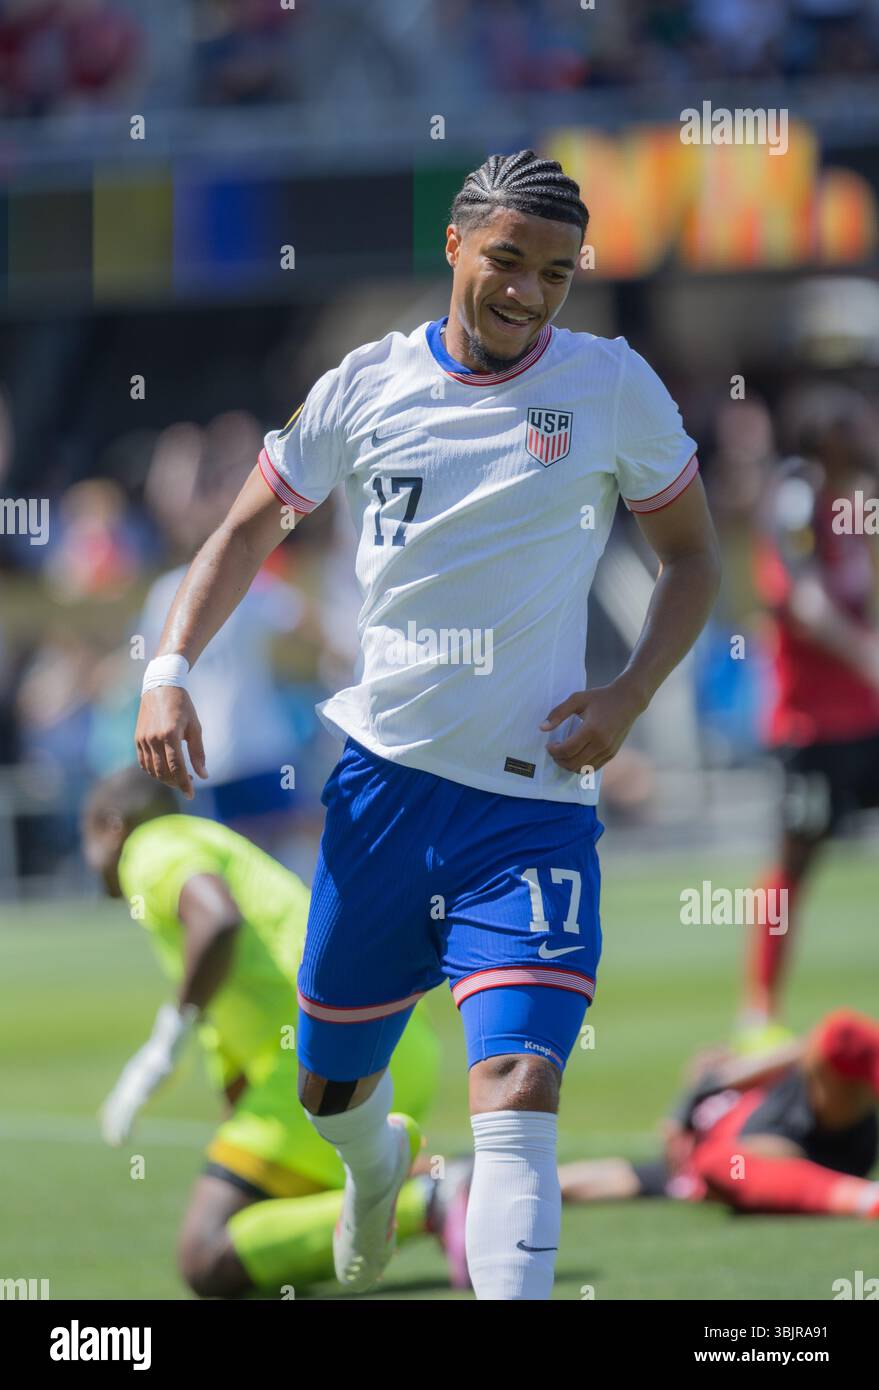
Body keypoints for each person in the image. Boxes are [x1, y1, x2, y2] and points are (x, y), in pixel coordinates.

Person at [133, 149, 721, 1300]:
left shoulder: (610, 386)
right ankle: (370, 1173)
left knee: (515, 1082)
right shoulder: (364, 386)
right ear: (456, 247)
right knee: (332, 1090)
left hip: (531, 808)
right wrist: (166, 668)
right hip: (382, 792)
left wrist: (628, 695)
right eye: (507, 260)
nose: (528, 291)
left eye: (555, 273)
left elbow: (692, 557)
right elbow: (248, 530)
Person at [82, 765, 446, 1297]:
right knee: (263, 1229)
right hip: (393, 1043)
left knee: (205, 1256)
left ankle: (436, 1195)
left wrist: (163, 1045)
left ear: (113, 825)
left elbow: (217, 921)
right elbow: (233, 1051)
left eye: (86, 832)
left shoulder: (151, 846)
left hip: (319, 1062)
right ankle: (422, 1183)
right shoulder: (211, 840)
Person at [736, 385, 879, 1050]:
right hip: (811, 723)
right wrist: (866, 655)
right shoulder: (797, 496)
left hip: (866, 716)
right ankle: (757, 1011)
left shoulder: (859, 501)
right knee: (793, 862)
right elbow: (804, 599)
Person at [559, 1010, 879, 1219]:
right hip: (783, 1149)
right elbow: (587, 1179)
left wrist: (712, 1085)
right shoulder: (681, 1175)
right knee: (721, 1164)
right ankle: (866, 1198)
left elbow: (815, 1043)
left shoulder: (725, 1088)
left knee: (841, 1035)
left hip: (814, 1102)